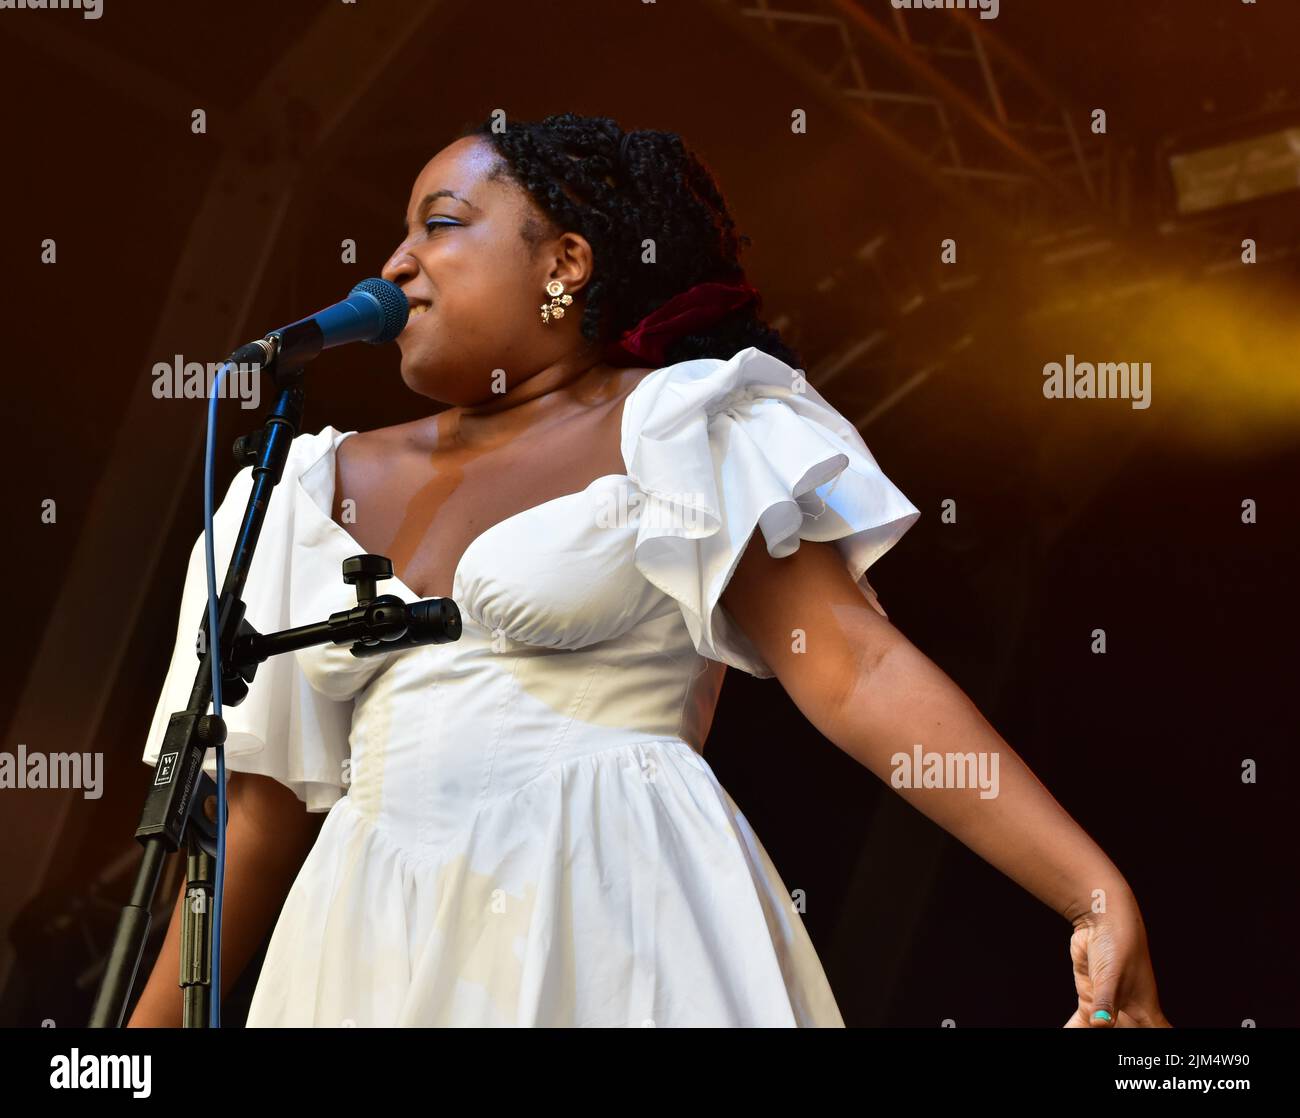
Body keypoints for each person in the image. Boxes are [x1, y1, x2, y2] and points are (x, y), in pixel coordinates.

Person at [129, 112, 1170, 1028]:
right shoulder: (301, 484)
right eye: (401, 232)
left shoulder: (682, 424)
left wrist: (1089, 889)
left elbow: (855, 666)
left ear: (565, 263)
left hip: (613, 901)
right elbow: (250, 813)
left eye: (439, 223)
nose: (397, 263)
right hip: (364, 939)